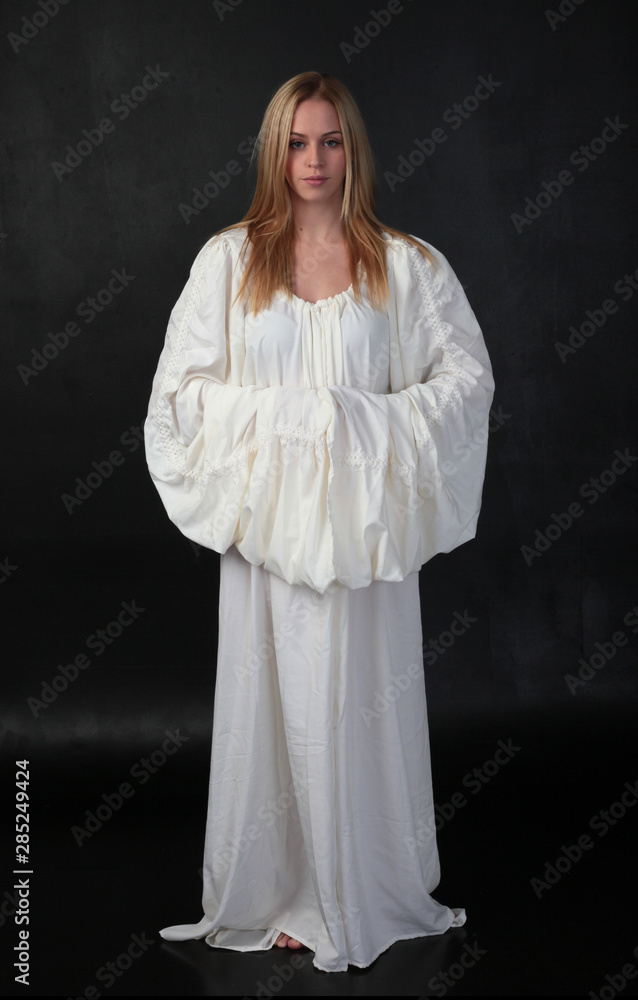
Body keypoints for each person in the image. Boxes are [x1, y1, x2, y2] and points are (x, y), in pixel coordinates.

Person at [144, 71, 495, 973]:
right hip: (269, 546)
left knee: (359, 708)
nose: (314, 160)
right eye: (298, 142)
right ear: (274, 149)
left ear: (353, 150)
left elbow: (464, 386)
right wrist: (289, 425)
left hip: (364, 546)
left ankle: (356, 890)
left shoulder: (405, 266)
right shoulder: (229, 262)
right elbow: (179, 394)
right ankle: (275, 891)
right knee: (272, 712)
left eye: (330, 141)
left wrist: (357, 425)